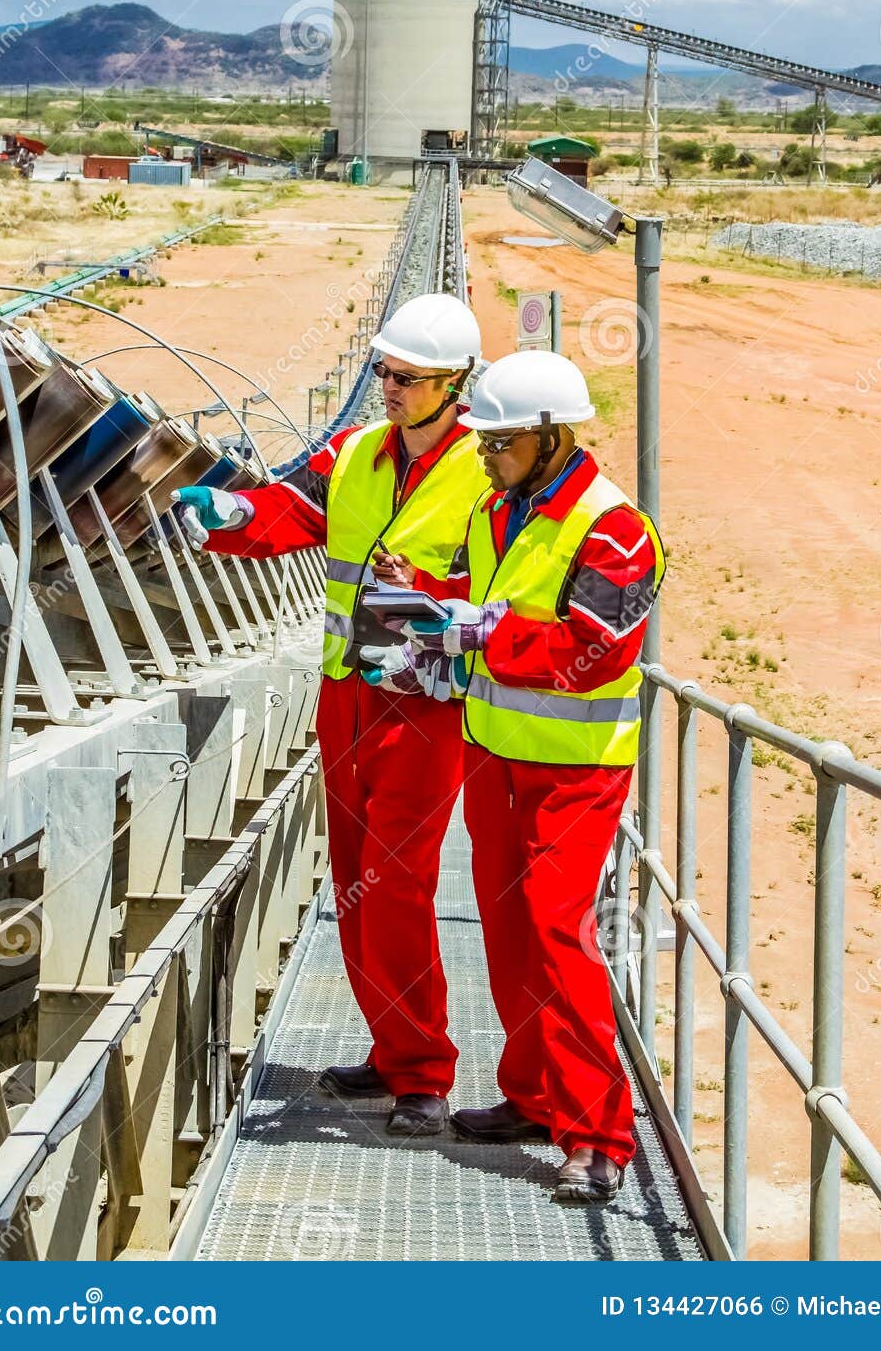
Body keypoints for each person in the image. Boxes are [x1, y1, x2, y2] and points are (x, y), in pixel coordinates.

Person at [172, 293, 489, 1139]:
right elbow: (290, 509)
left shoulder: (488, 470)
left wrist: (433, 591)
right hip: (348, 691)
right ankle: (389, 1049)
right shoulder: (352, 453)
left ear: (454, 384)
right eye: (384, 372)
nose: (388, 387)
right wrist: (232, 515)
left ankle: (422, 1072)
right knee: (352, 883)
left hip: (423, 700)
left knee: (396, 885)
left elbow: (512, 584)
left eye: (407, 378)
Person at [372, 349, 664, 1204]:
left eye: (499, 442)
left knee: (556, 932)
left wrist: (475, 635)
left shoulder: (615, 531)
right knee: (507, 933)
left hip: (574, 769)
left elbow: (592, 652)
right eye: (482, 441)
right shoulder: (499, 507)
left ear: (550, 436)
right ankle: (534, 1096)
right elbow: (482, 592)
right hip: (494, 751)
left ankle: (597, 1135)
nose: (484, 454)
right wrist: (423, 595)